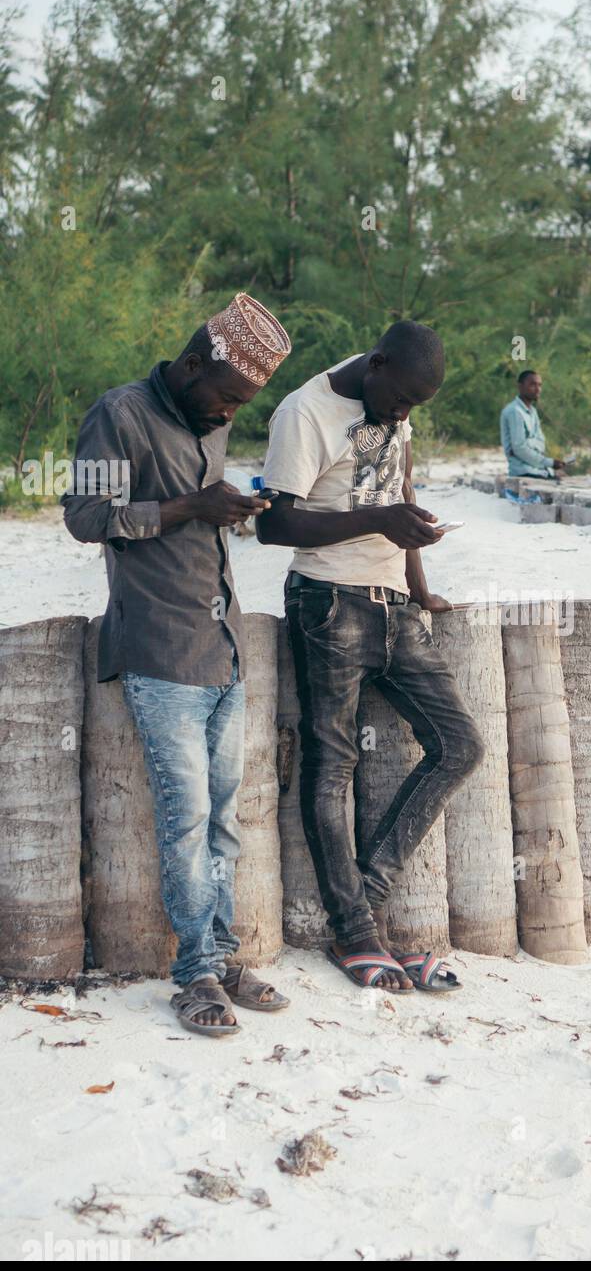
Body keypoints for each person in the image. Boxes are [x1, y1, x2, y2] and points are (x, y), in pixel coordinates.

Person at [62, 294, 293, 1037]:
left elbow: (199, 511)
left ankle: (222, 958)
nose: (229, 417)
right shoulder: (119, 414)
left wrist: (226, 510)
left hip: (223, 647)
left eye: (241, 408)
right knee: (186, 819)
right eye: (225, 399)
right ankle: (193, 974)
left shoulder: (207, 418)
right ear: (193, 367)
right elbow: (84, 518)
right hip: (159, 651)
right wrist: (189, 508)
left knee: (225, 820)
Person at [257, 320, 484, 994]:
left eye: (416, 405)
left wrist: (420, 588)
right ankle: (355, 931)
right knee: (332, 764)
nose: (404, 414)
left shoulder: (390, 409)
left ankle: (365, 891)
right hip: (327, 602)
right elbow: (272, 523)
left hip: (394, 607)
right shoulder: (305, 412)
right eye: (401, 399)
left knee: (460, 745)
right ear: (375, 363)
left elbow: (398, 495)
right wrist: (377, 521)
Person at [500, 370, 564, 479]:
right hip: (524, 472)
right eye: (532, 385)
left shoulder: (533, 411)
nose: (538, 389)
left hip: (537, 469)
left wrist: (529, 442)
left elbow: (541, 442)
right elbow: (519, 448)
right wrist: (549, 462)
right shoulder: (514, 411)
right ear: (520, 387)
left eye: (539, 385)